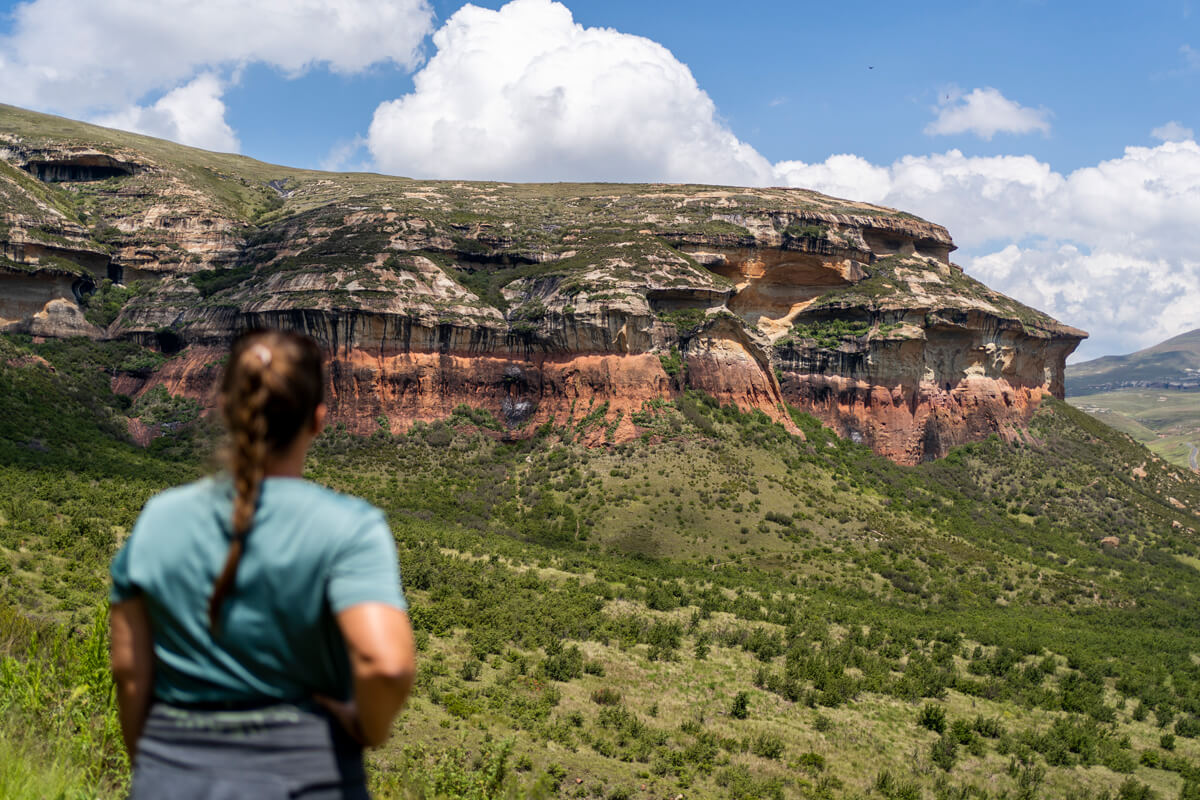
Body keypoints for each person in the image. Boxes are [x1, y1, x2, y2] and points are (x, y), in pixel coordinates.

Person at [108, 329, 415, 799]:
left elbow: (130, 673)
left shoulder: (158, 519)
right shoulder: (351, 528)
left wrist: (154, 766)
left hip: (171, 775)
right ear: (317, 420)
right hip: (308, 774)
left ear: (227, 409)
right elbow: (385, 664)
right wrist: (366, 727)